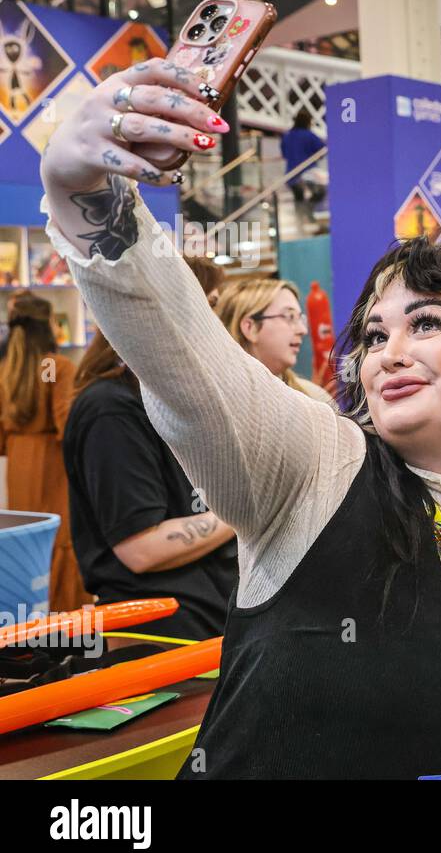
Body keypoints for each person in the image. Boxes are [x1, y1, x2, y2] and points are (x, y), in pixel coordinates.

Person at [39, 58, 441, 779]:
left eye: (425, 323)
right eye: (372, 335)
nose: (387, 353)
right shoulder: (318, 466)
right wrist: (84, 189)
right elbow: (181, 350)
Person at [63, 257, 238, 640]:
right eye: (206, 305)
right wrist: (243, 510)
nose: (216, 323)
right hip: (161, 635)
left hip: (212, 622)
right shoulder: (110, 408)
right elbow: (141, 548)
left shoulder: (171, 398)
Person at [0, 294, 90, 612]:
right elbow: (67, 424)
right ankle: (62, 628)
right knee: (59, 540)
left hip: (18, 464)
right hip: (52, 465)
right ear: (46, 326)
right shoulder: (55, 366)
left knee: (26, 540)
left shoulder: (6, 369)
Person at [214, 277, 334, 406]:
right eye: (290, 316)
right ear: (250, 327)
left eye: (300, 318)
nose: (303, 330)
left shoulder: (315, 397)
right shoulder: (219, 402)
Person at [280, 108, 326, 233]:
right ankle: (308, 212)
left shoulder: (287, 136)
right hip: (308, 173)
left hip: (292, 175)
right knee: (320, 192)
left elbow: (284, 154)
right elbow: (322, 151)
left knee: (298, 199)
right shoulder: (309, 135)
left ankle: (299, 227)